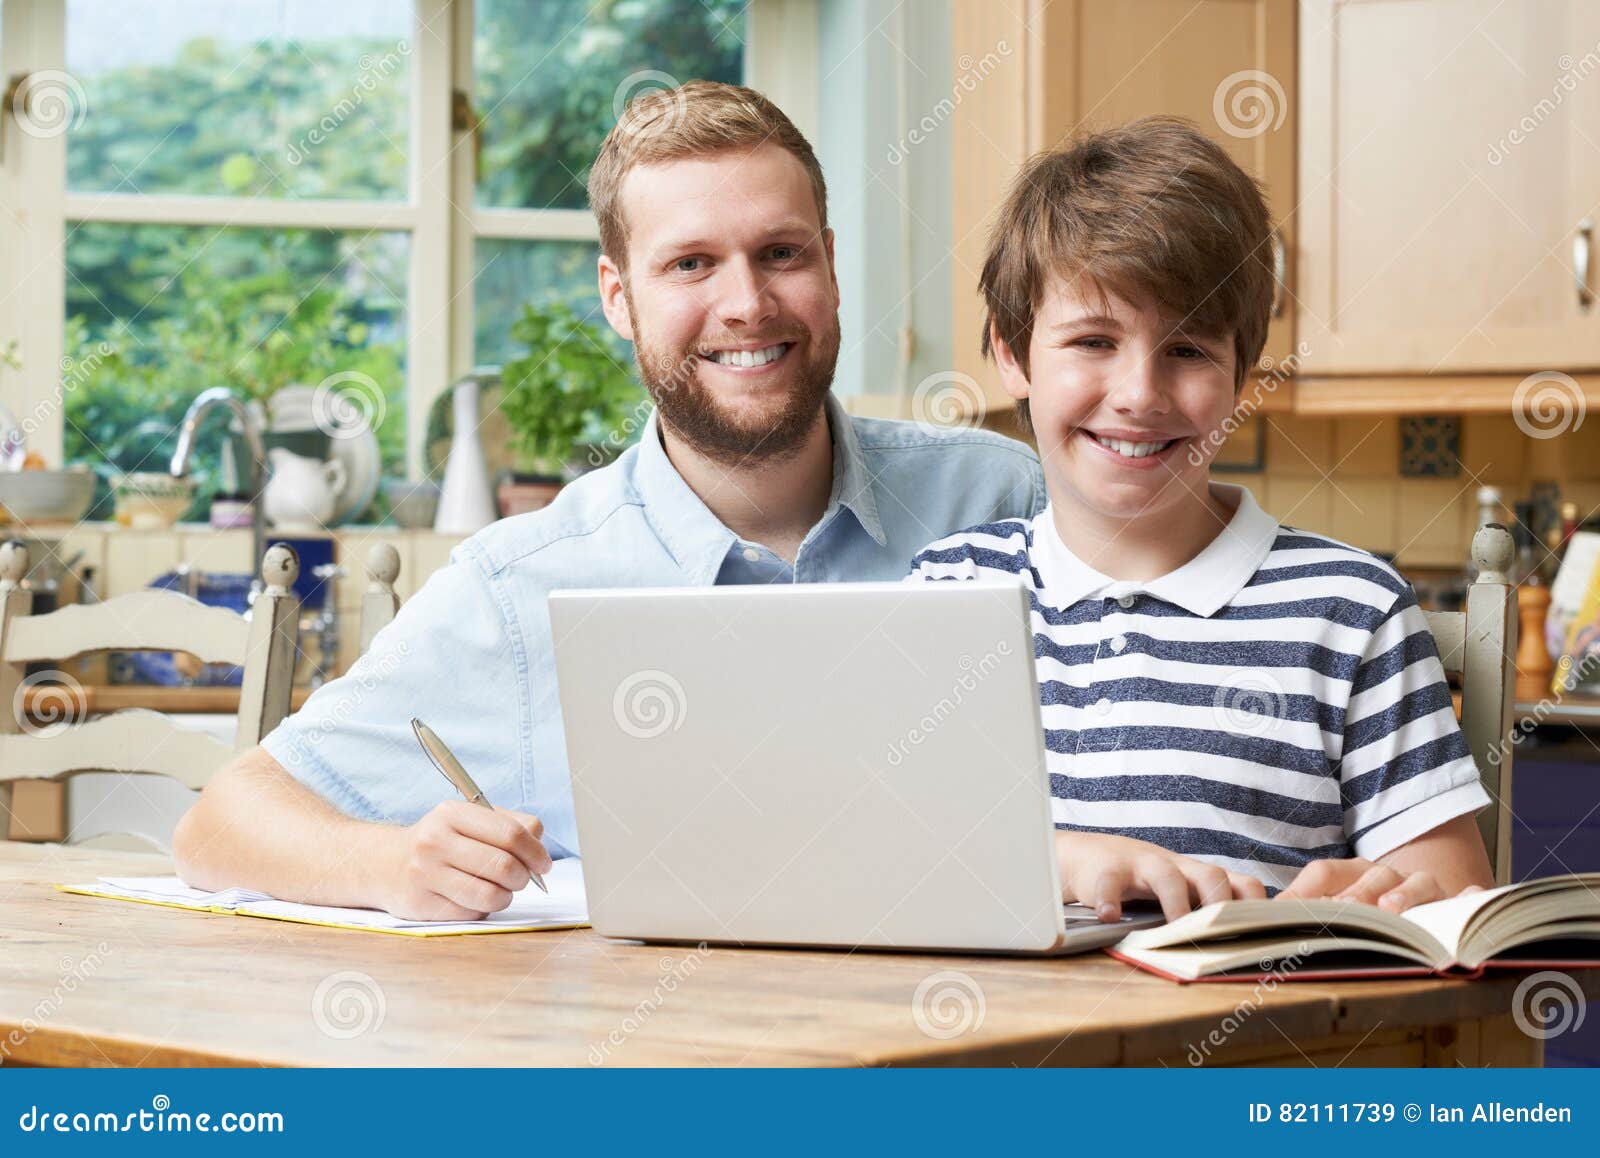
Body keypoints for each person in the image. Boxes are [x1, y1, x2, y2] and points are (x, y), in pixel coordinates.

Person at [174, 82, 1044, 920]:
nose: (746, 303)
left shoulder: (1001, 494)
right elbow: (221, 823)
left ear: (830, 266)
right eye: (690, 264)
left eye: (782, 253)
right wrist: (391, 863)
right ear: (618, 298)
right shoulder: (519, 588)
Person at [906, 116, 1494, 922]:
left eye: (1188, 350)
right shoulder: (948, 589)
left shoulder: (1351, 612)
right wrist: (1058, 857)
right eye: (1092, 341)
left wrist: (1340, 914)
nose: (1140, 394)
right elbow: (885, 852)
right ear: (1012, 354)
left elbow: (1457, 903)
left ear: (1242, 373)